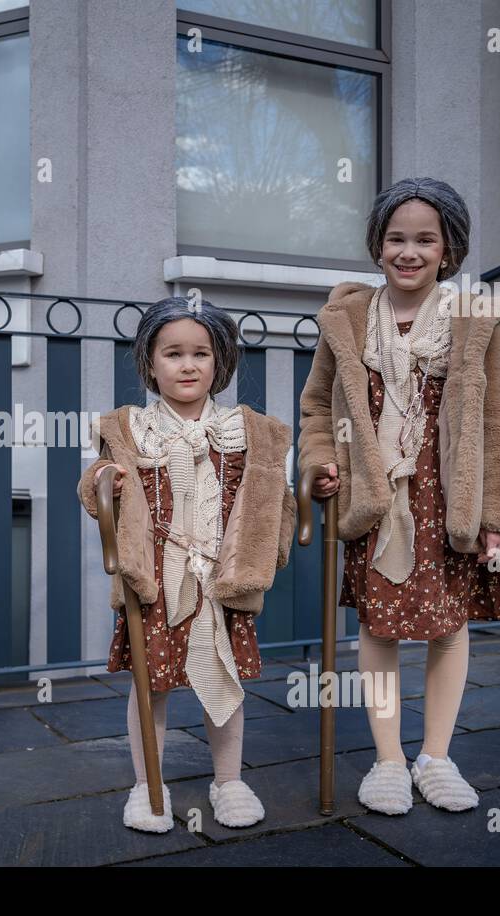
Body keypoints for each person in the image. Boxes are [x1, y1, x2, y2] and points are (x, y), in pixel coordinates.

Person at [297, 177, 500, 815]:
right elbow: (319, 406)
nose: (409, 251)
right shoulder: (346, 321)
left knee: (448, 625)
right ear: (378, 246)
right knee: (379, 627)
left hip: (450, 497)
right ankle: (388, 761)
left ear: (447, 250)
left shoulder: (475, 323)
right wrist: (321, 461)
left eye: (425, 239)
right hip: (377, 496)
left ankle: (435, 756)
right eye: (396, 238)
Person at [77, 297, 296, 832]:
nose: (188, 364)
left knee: (223, 678)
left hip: (219, 579)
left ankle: (229, 780)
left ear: (219, 362)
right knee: (150, 682)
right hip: (157, 580)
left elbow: (273, 499)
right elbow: (93, 484)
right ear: (150, 363)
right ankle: (147, 783)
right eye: (173, 353)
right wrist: (104, 480)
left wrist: (273, 541)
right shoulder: (130, 428)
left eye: (201, 353)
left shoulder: (245, 431)